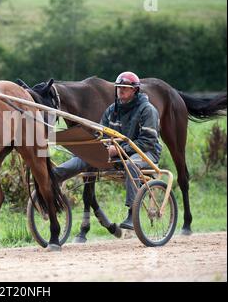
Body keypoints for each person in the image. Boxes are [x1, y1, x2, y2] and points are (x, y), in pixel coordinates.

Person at [53, 71, 162, 230]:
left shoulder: (147, 110)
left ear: (135, 90)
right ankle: (56, 175)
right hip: (118, 152)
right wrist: (97, 146)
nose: (120, 91)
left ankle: (132, 215)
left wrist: (118, 150)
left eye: (124, 88)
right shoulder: (112, 109)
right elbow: (101, 133)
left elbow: (148, 141)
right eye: (118, 88)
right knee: (87, 156)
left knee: (131, 165)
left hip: (145, 152)